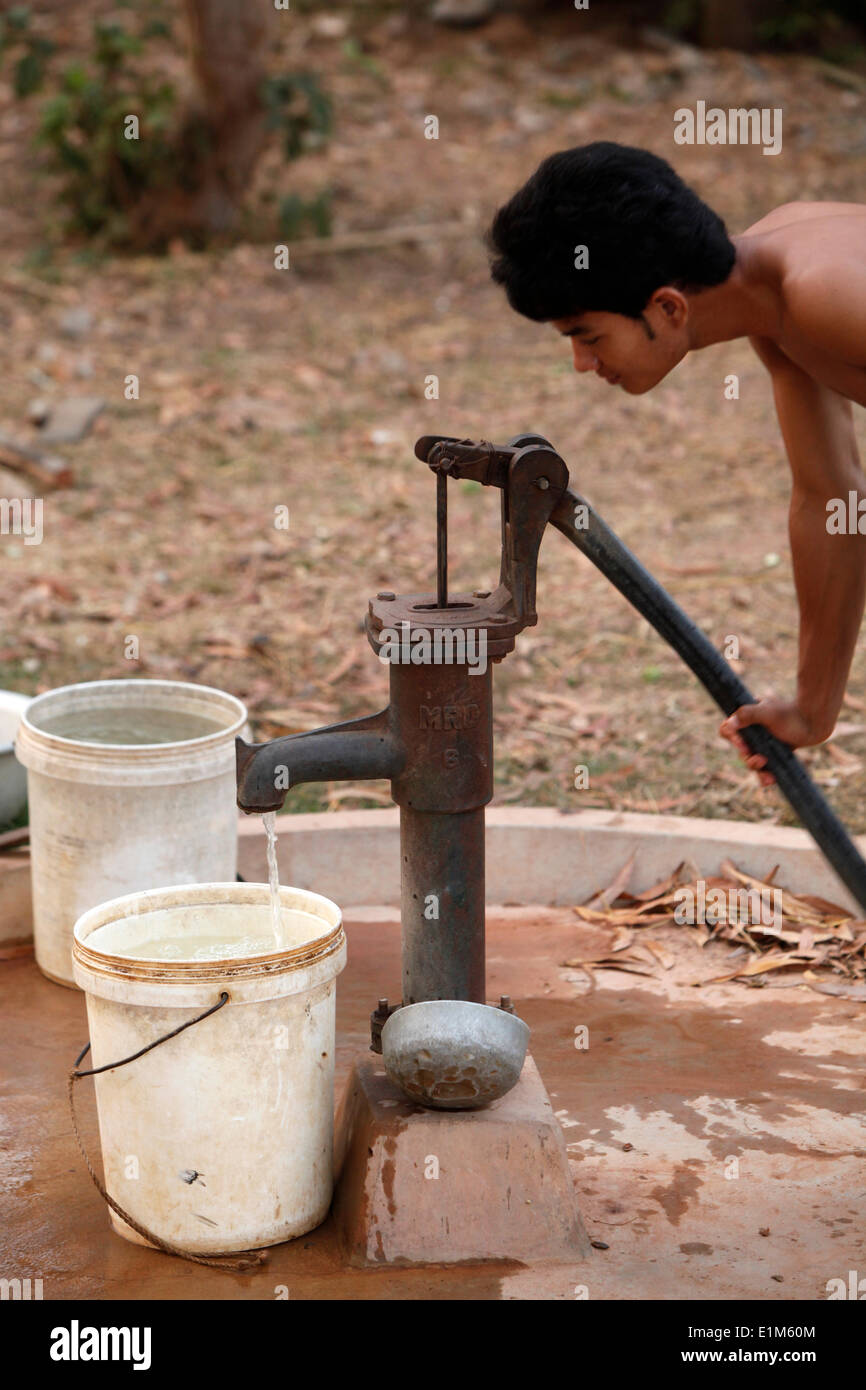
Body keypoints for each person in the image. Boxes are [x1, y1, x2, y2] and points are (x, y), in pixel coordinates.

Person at [487, 142, 866, 786]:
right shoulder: (777, 298)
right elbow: (830, 499)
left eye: (587, 335)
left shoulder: (827, 293)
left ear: (667, 307)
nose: (582, 364)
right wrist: (811, 708)